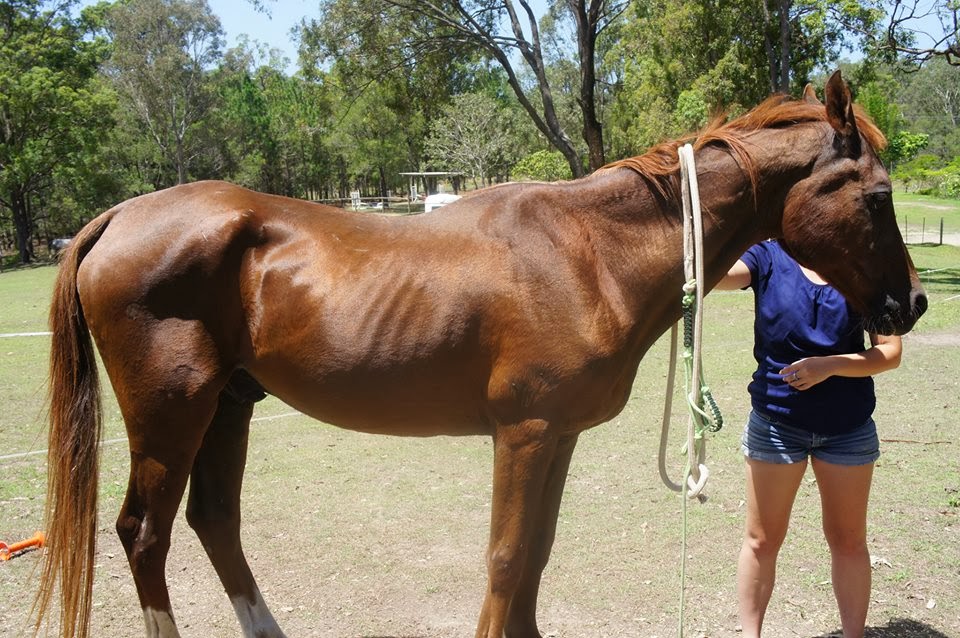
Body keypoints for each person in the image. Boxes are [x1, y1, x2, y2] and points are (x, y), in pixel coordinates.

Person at [716, 239, 902, 638]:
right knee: (761, 540)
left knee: (849, 541)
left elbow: (889, 353)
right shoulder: (768, 255)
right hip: (776, 425)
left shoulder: (864, 261)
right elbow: (718, 277)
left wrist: (829, 366)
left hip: (847, 429)